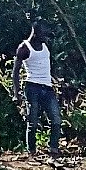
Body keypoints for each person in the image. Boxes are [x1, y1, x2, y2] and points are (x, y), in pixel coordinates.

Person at [12, 22, 62, 156]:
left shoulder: (45, 47)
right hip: (32, 86)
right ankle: (32, 151)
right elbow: (16, 71)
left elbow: (47, 66)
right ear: (36, 33)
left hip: (47, 87)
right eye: (44, 34)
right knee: (32, 120)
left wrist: (56, 80)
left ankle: (53, 148)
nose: (46, 37)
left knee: (56, 119)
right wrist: (17, 92)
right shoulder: (24, 48)